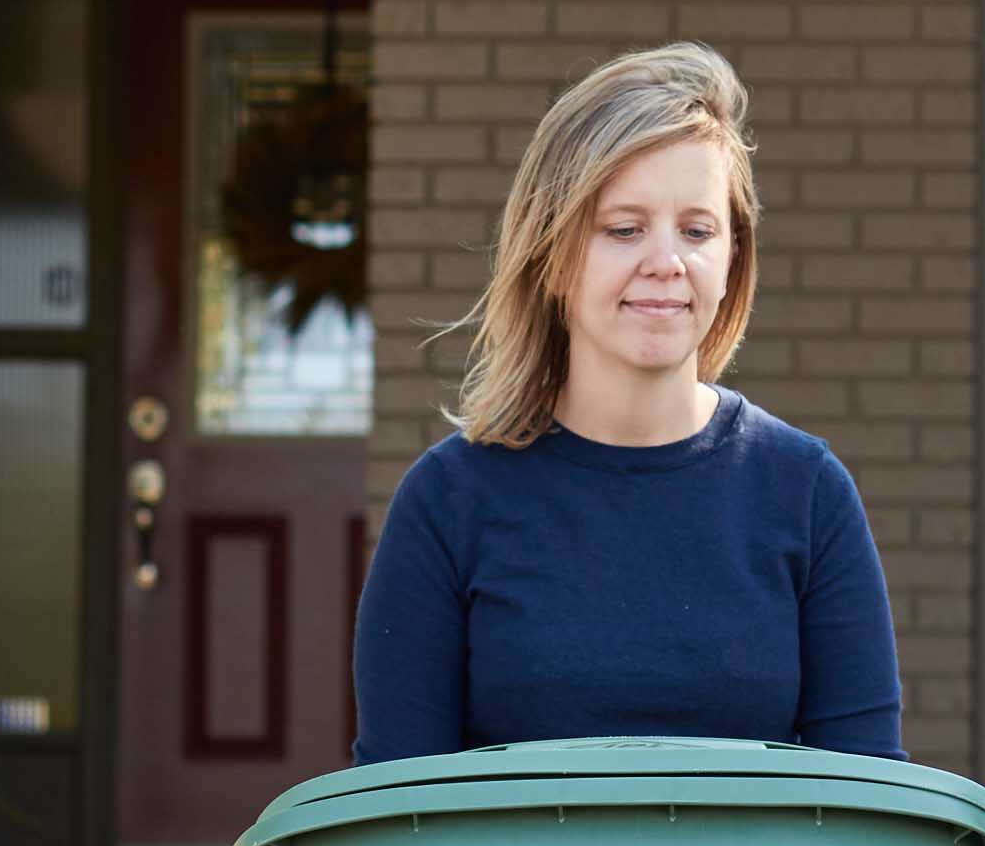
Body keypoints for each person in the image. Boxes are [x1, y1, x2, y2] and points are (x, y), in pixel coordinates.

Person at [352, 41, 907, 764]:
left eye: (698, 230)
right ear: (552, 256)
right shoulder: (449, 502)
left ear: (733, 257)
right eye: (624, 228)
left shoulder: (805, 494)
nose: (666, 261)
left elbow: (866, 802)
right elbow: (399, 815)